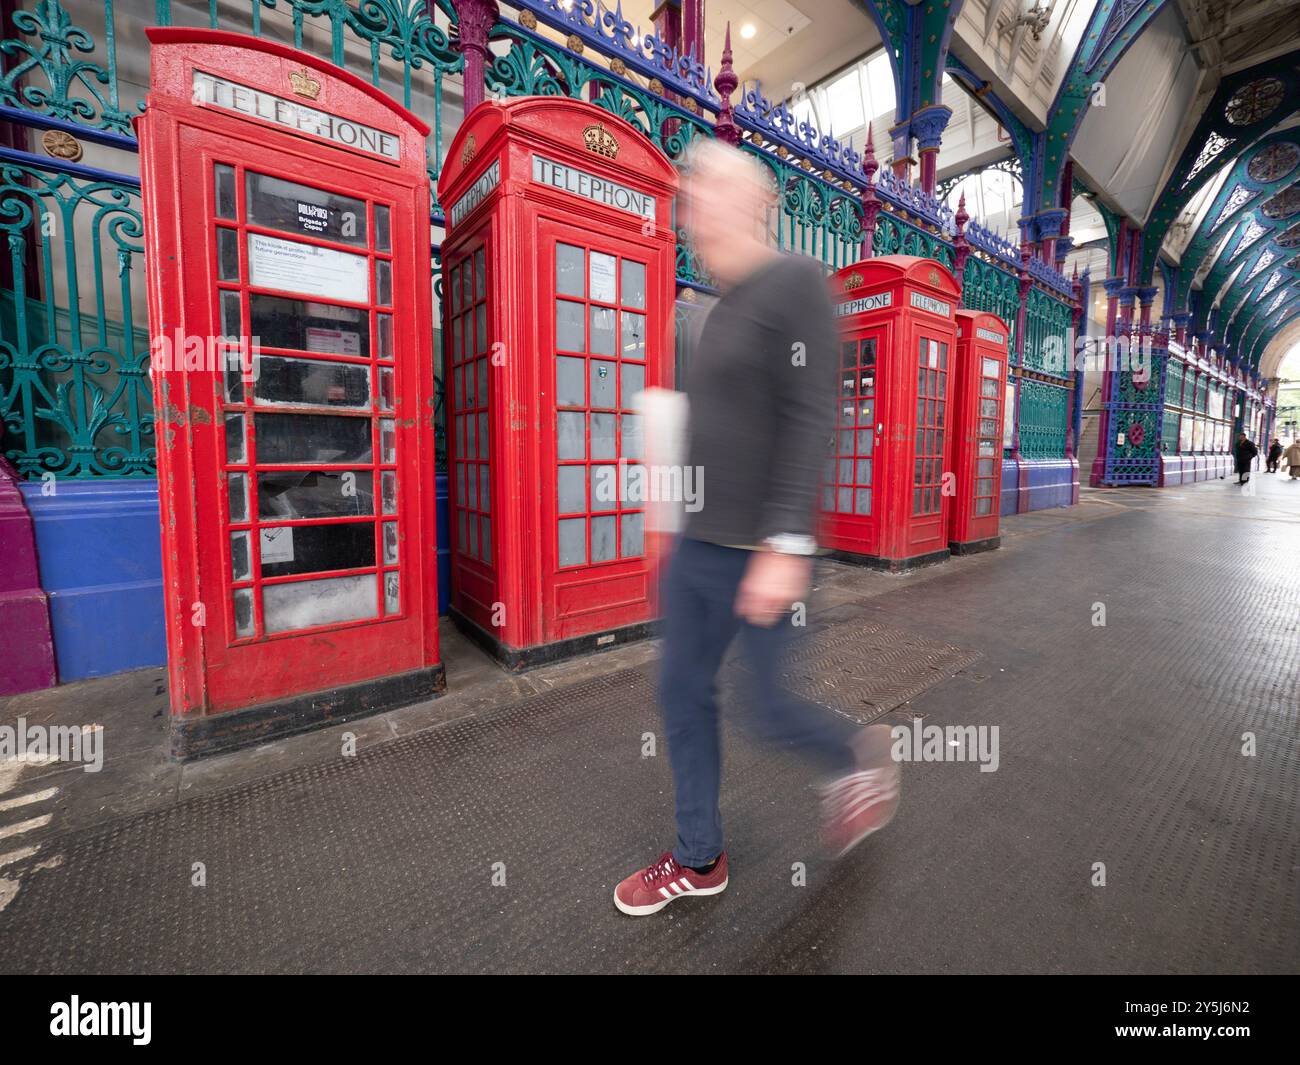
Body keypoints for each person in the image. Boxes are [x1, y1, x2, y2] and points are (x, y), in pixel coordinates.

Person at [614, 141, 899, 917]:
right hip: (698, 544)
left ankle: (853, 755)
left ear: (750, 202)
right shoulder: (709, 309)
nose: (689, 209)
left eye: (703, 191)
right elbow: (695, 426)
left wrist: (785, 544)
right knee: (681, 691)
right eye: (685, 195)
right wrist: (663, 520)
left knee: (765, 706)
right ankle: (699, 856)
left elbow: (812, 416)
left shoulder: (796, 283)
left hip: (764, 552)